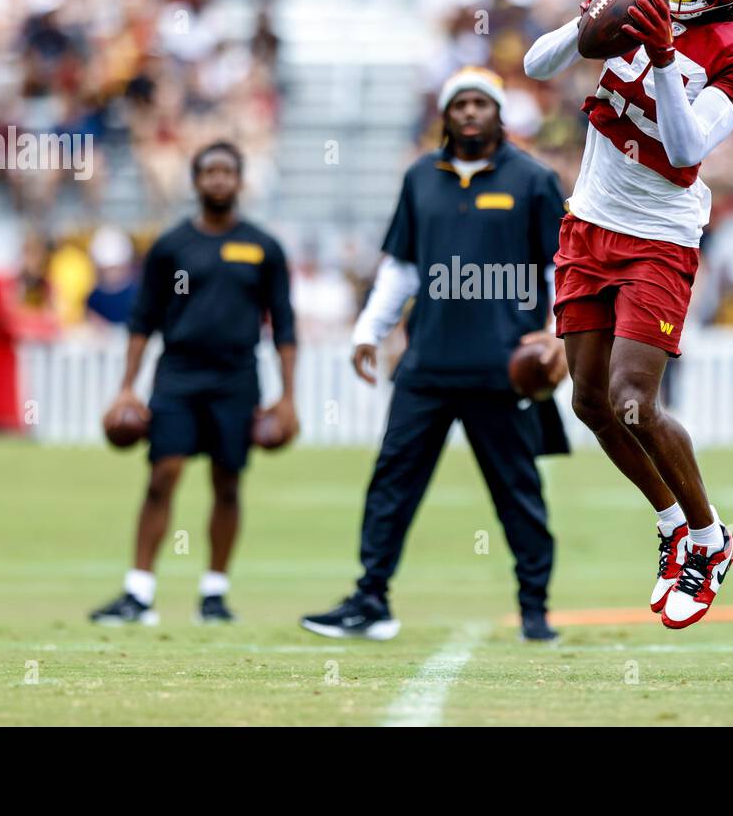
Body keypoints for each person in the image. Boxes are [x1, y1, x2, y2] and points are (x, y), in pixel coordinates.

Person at [523, 0, 733, 629]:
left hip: (658, 236)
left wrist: (665, 54)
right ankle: (672, 523)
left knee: (635, 397)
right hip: (588, 221)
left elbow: (683, 144)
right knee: (588, 401)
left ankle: (709, 538)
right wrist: (591, 23)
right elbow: (536, 67)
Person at [299, 67, 569, 643]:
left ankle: (535, 608)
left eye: (481, 103)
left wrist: (557, 336)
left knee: (516, 489)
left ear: (499, 113)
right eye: (460, 104)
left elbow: (560, 268)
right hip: (426, 361)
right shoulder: (420, 177)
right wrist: (368, 331)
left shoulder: (534, 180)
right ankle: (370, 598)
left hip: (503, 366)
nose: (470, 112)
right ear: (445, 114)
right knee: (393, 479)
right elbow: (401, 268)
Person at [90, 141, 297, 625]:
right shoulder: (171, 246)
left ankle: (214, 594)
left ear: (240, 180)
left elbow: (284, 326)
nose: (219, 180)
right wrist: (126, 387)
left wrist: (288, 397)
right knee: (163, 475)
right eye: (210, 172)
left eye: (228, 172)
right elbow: (142, 321)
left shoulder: (264, 248)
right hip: (178, 374)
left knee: (228, 481)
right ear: (196, 180)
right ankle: (138, 593)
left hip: (236, 377)